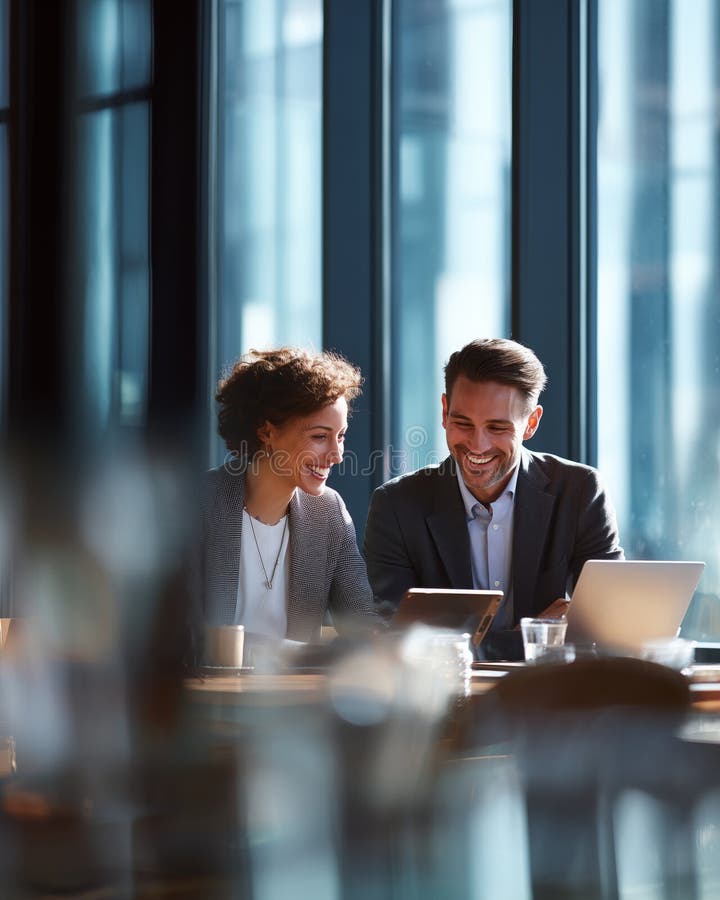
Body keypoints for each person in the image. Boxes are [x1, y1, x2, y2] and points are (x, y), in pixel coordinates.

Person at [364, 338, 624, 659]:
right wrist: (532, 638)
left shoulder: (581, 491)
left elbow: (609, 629)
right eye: (462, 423)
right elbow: (398, 647)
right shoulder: (396, 506)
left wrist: (470, 646)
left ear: (530, 423)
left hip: (553, 697)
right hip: (445, 701)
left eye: (497, 427)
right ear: (444, 412)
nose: (477, 444)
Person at [199, 347, 384, 647]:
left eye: (341, 435)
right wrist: (290, 653)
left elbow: (362, 622)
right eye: (320, 437)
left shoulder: (329, 512)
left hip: (295, 694)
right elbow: (180, 637)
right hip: (210, 693)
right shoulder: (201, 503)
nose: (337, 456)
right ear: (267, 432)